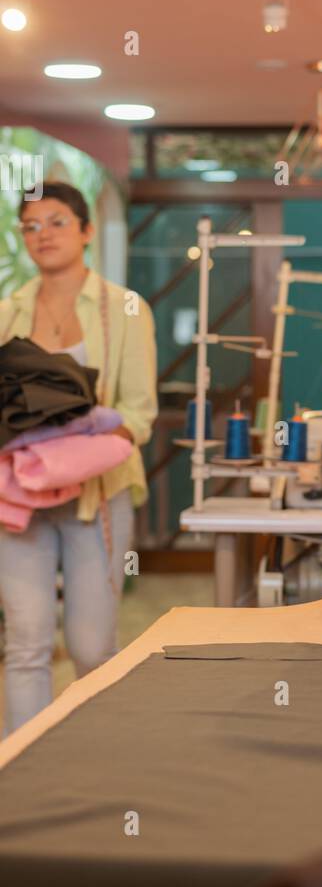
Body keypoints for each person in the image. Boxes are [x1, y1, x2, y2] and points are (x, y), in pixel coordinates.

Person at [0, 183, 158, 734]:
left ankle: (95, 766)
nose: (43, 234)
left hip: (100, 494)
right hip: (19, 495)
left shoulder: (124, 309)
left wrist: (98, 422)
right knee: (25, 643)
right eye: (31, 225)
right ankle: (24, 773)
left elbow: (140, 414)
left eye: (57, 221)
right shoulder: (8, 311)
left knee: (92, 647)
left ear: (87, 231)